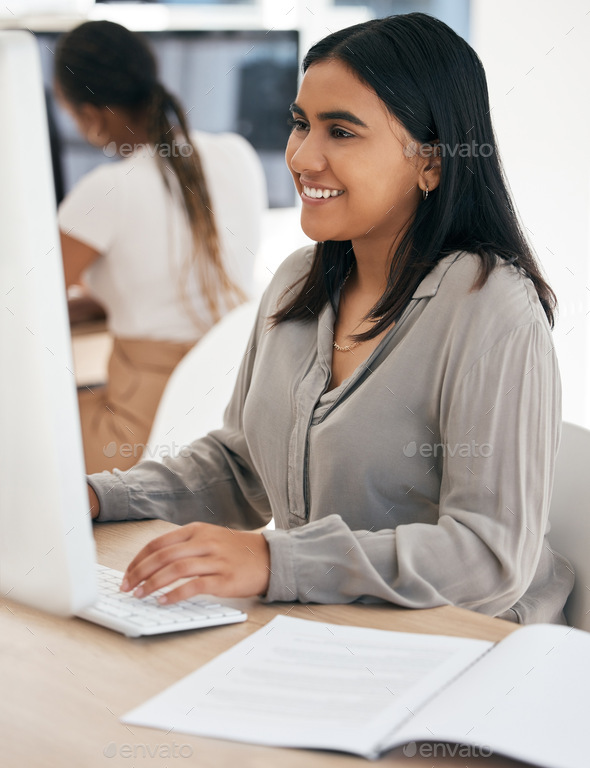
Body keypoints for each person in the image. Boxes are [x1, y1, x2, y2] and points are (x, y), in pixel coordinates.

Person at [87, 13, 573, 623]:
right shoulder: (299, 280)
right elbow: (240, 470)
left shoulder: (491, 307)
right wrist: (98, 496)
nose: (302, 156)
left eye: (341, 132)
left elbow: (489, 558)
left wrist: (275, 560)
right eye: (300, 124)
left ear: (432, 163)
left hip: (469, 649)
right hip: (324, 627)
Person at [54, 21, 267, 474]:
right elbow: (167, 284)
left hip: (144, 435)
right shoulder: (237, 154)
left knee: (26, 426)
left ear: (90, 117)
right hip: (238, 418)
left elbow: (26, 305)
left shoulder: (106, 190)